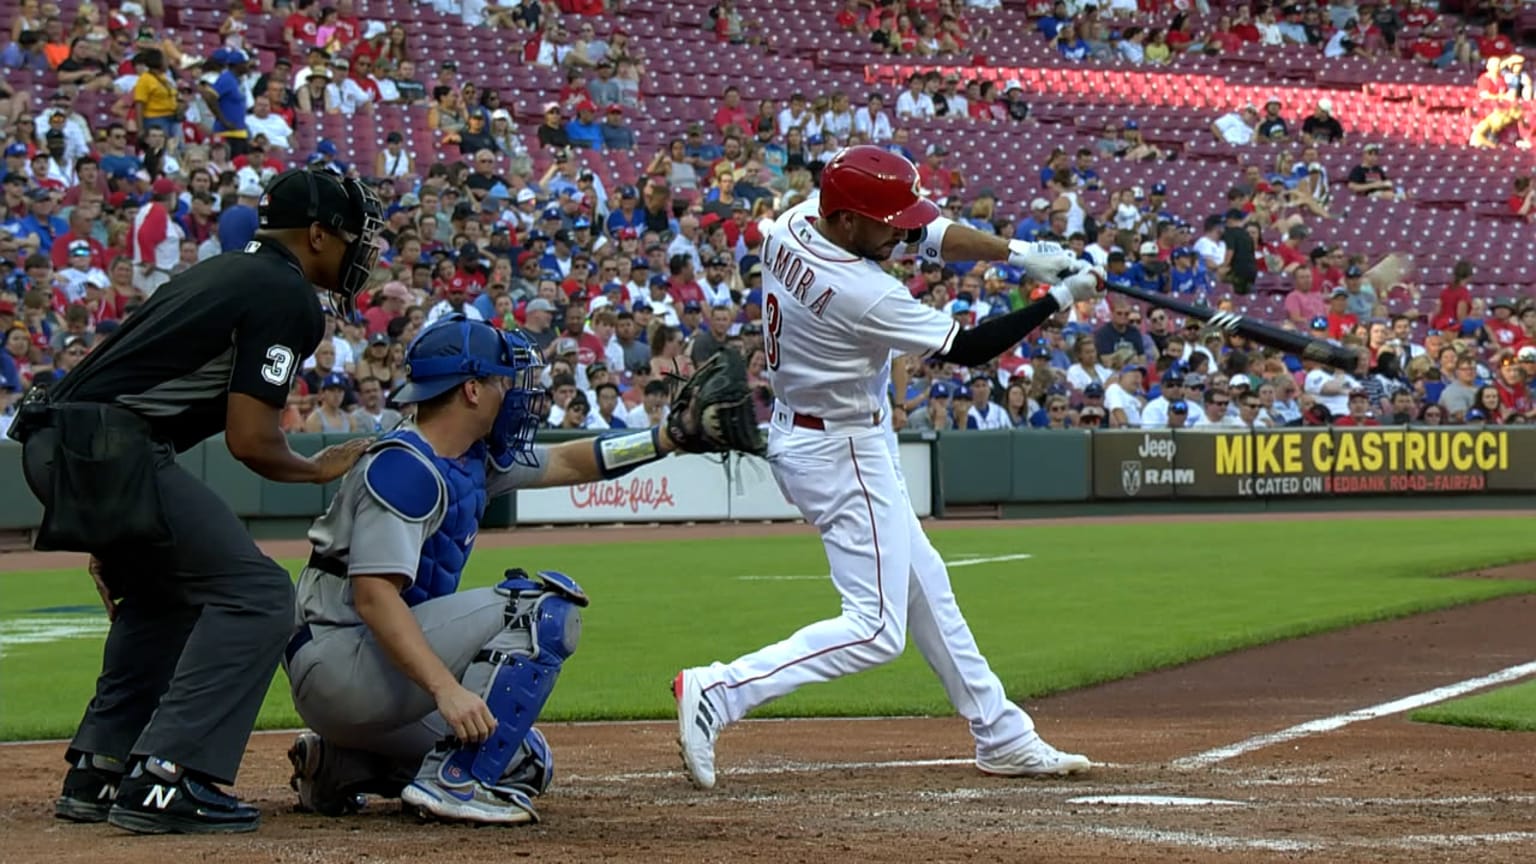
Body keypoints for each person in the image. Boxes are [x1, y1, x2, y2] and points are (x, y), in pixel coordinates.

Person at [673, 145, 1101, 789]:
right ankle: (719, 690)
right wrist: (1056, 298)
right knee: (876, 629)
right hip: (842, 451)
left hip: (819, 435)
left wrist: (1013, 253)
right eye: (885, 221)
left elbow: (920, 231)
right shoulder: (863, 291)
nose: (901, 229)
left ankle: (1002, 734)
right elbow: (970, 348)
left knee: (928, 589)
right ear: (847, 222)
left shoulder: (795, 221)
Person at [9, 167, 384, 835]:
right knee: (258, 595)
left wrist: (109, 523)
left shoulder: (222, 271)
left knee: (165, 596)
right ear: (319, 234)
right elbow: (250, 440)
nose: (362, 253)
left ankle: (101, 768)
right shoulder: (284, 292)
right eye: (355, 237)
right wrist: (316, 467)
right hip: (108, 447)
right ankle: (169, 777)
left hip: (66, 439)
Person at [283, 315, 752, 824]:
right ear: (470, 390)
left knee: (523, 761)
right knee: (542, 611)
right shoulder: (404, 468)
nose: (515, 391)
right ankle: (453, 785)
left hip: (370, 671)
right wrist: (447, 689)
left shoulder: (464, 458)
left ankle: (338, 765)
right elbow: (375, 598)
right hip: (340, 664)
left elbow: (568, 463)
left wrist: (664, 438)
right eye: (503, 380)